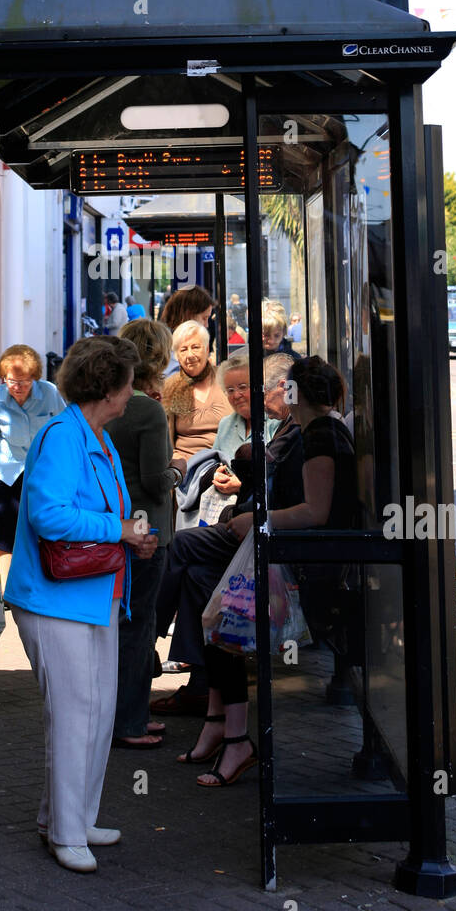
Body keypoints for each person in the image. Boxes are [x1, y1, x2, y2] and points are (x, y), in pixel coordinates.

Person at [4, 336, 158, 873]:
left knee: (93, 715)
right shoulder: (63, 437)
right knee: (75, 716)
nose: (132, 393)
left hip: (92, 595)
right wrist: (121, 529)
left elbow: (93, 514)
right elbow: (49, 516)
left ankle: (70, 819)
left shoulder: (92, 434)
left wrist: (131, 533)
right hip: (56, 598)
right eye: (127, 384)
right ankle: (67, 831)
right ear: (109, 388)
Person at [191, 355, 357, 786]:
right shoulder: (317, 429)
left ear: (295, 392)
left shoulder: (320, 435)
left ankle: (230, 731)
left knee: (210, 596)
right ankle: (221, 724)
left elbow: (316, 512)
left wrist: (259, 520)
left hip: (307, 571)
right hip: (300, 560)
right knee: (201, 587)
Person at [152, 354, 303, 721]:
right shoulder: (232, 424)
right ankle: (201, 686)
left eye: (250, 388)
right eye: (231, 388)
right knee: (195, 576)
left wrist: (244, 484)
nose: (241, 395)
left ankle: (148, 635)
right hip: (239, 517)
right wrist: (223, 476)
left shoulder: (289, 426)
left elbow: (282, 487)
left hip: (262, 532)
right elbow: (229, 462)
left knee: (184, 545)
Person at [109, 318, 180, 750]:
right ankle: (130, 722)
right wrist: (180, 469)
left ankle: (130, 714)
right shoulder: (147, 409)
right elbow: (156, 480)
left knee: (125, 624)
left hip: (114, 526)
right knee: (138, 628)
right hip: (147, 529)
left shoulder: (114, 402)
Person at [0, 344, 64, 589]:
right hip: (8, 474)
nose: (16, 387)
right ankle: (6, 589)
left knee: (42, 531)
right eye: (11, 381)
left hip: (43, 474)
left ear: (34, 378)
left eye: (24, 382)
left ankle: (38, 585)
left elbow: (63, 429)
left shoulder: (49, 393)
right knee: (3, 536)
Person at [161, 321, 230, 466]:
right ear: (177, 356)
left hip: (227, 463)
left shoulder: (226, 379)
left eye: (196, 347)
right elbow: (165, 442)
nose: (190, 355)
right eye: (183, 350)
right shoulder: (169, 387)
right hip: (187, 469)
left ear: (206, 349)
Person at [159, 286, 215, 375]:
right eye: (204, 318)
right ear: (188, 315)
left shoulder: (165, 342)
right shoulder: (171, 360)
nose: (206, 325)